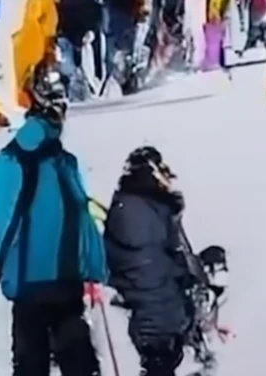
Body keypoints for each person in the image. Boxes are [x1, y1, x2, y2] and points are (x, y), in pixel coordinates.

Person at [0, 59, 106, 376]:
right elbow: (81, 219)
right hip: (62, 281)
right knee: (77, 361)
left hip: (31, 285)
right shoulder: (60, 163)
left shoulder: (10, 162)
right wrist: (93, 266)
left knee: (32, 363)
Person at [103, 146, 192, 376]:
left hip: (151, 316)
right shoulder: (144, 214)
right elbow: (148, 274)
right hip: (156, 320)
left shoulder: (136, 206)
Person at [57, 0, 98, 99]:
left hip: (74, 30)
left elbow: (89, 9)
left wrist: (90, 29)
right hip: (70, 30)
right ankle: (81, 90)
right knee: (72, 66)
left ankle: (85, 90)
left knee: (77, 65)